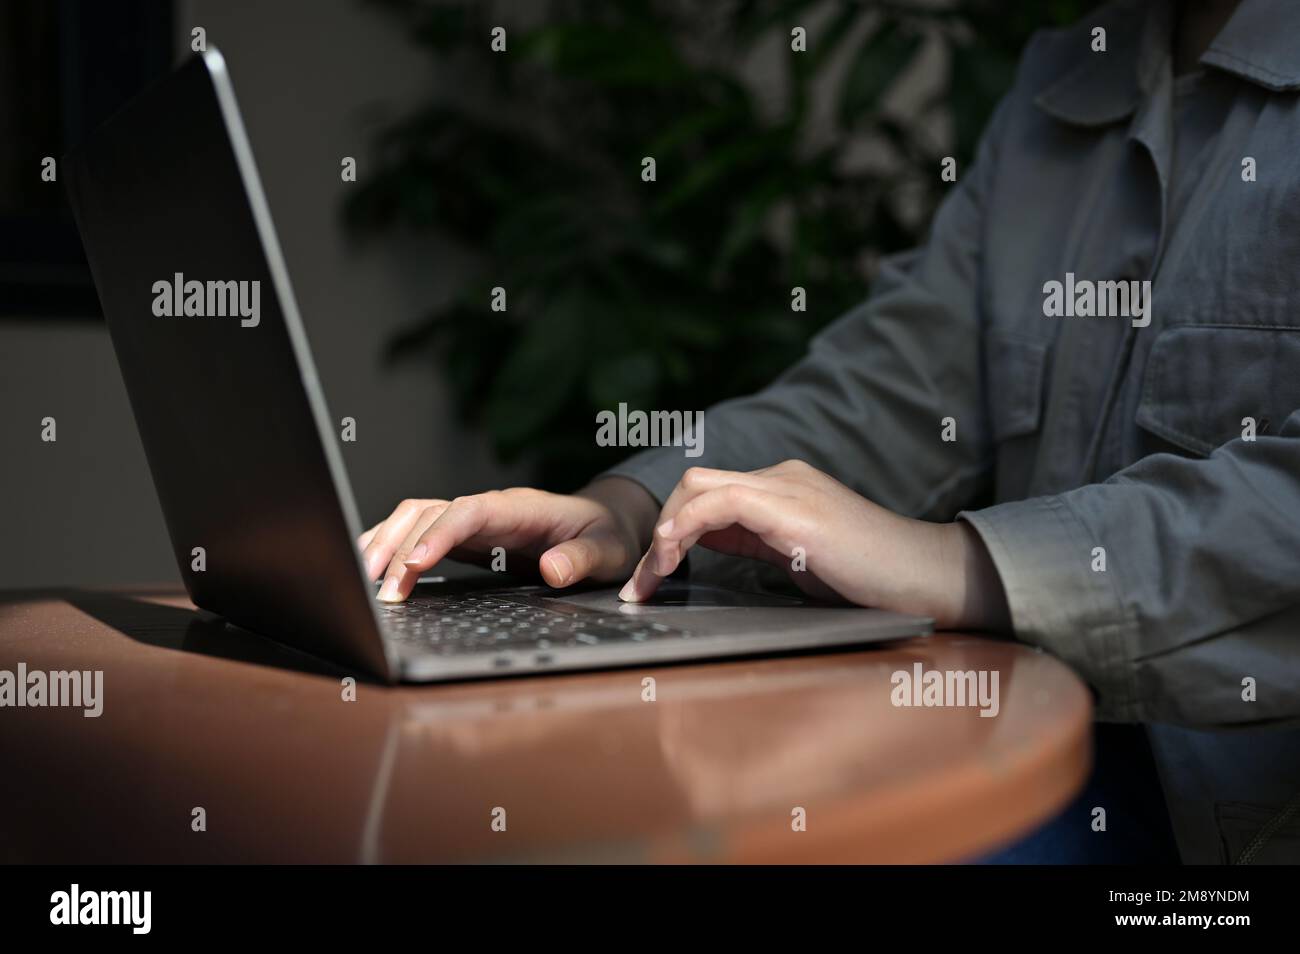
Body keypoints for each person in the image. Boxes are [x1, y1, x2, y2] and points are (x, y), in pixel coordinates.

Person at [358, 0, 1300, 863]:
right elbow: (891, 384)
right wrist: (625, 508)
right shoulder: (1071, 76)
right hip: (1037, 745)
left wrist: (955, 564)